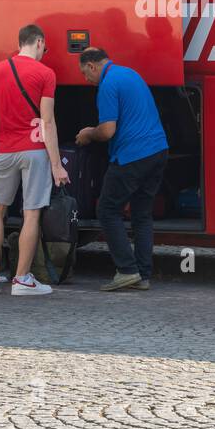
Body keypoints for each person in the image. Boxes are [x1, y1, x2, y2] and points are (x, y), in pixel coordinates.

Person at [0, 24, 68, 297]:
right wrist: (57, 164)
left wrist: (3, 132)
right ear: (38, 42)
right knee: (31, 213)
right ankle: (22, 279)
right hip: (35, 151)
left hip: (5, 150)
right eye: (44, 48)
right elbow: (47, 121)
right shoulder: (46, 73)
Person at [76, 47, 168, 292]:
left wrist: (88, 134)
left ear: (93, 66)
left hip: (132, 155)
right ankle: (143, 275)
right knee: (142, 214)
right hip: (158, 150)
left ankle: (127, 270)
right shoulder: (129, 74)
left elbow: (107, 131)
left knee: (106, 210)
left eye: (85, 74)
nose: (86, 80)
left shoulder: (107, 84)